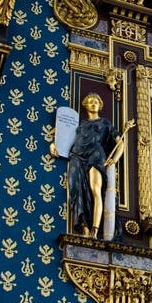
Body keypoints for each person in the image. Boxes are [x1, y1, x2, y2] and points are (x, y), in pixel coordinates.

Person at [61, 94, 134, 238]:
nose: (93, 104)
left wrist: (114, 159)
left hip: (95, 154)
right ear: (86, 105)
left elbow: (121, 144)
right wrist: (54, 146)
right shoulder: (80, 125)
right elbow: (64, 140)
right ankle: (85, 227)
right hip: (77, 156)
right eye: (90, 102)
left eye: (96, 102)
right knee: (77, 190)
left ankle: (94, 229)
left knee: (95, 189)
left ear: (100, 105)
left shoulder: (105, 123)